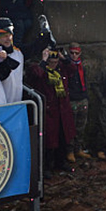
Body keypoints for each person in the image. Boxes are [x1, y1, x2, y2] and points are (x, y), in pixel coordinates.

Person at [26, 47, 76, 176]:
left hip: (62, 109)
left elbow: (72, 69)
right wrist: (43, 61)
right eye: (51, 62)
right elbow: (36, 74)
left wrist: (64, 59)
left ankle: (61, 162)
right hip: (49, 111)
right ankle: (47, 166)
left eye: (56, 61)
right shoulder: (39, 68)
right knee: (49, 141)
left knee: (63, 137)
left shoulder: (61, 68)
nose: (54, 64)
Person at [60, 43, 92, 159]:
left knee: (81, 126)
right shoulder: (66, 65)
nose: (74, 56)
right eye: (72, 53)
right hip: (71, 99)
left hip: (82, 97)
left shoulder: (82, 66)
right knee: (70, 127)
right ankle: (70, 151)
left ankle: (78, 148)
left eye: (76, 53)